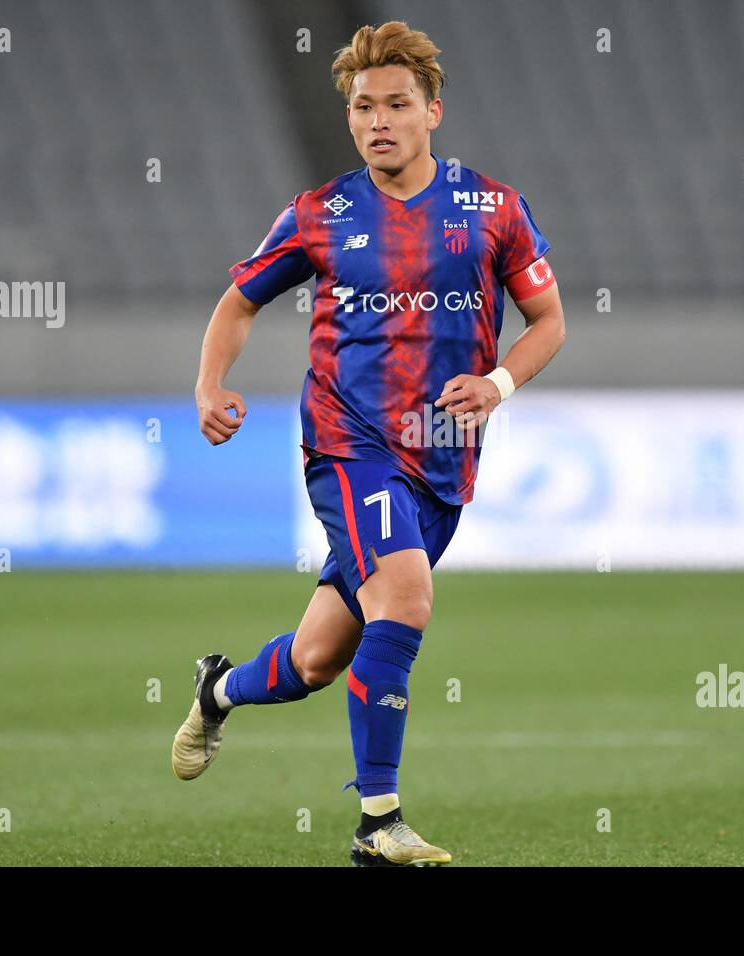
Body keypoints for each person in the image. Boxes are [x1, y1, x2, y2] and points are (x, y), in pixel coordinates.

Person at [172, 20, 566, 867]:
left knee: (317, 659)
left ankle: (219, 687)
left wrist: (497, 386)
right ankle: (377, 822)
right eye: (363, 106)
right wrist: (210, 385)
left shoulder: (493, 209)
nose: (378, 119)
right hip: (349, 446)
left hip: (442, 463)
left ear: (433, 111)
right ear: (349, 118)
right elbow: (239, 301)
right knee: (407, 600)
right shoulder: (320, 215)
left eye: (396, 103)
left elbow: (548, 322)